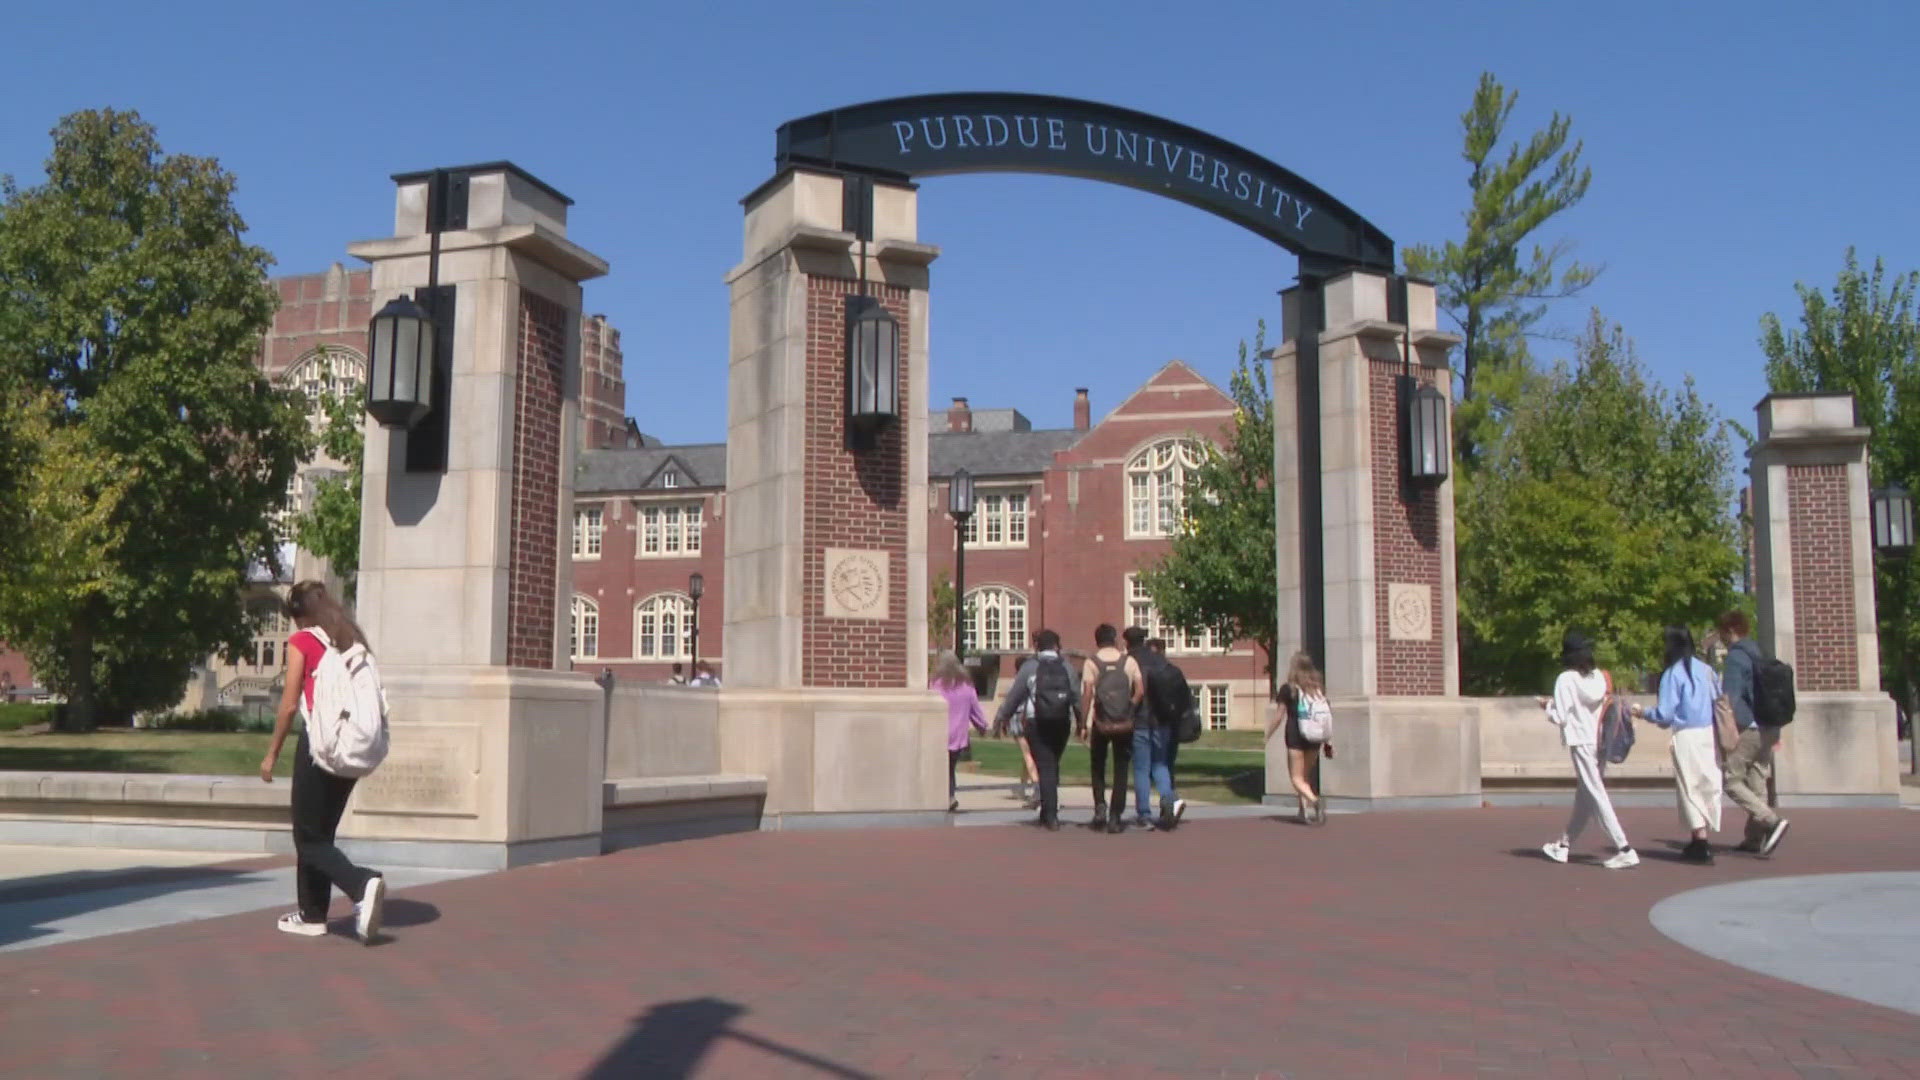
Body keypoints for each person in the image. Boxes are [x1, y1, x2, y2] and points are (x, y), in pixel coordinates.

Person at [260, 581, 387, 942]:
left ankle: (362, 883)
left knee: (308, 838)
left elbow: (288, 705)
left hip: (319, 744)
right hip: (349, 746)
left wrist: (272, 753)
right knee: (319, 834)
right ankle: (312, 914)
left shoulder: (303, 641)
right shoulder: (349, 637)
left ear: (300, 614)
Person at [1536, 631, 1638, 869]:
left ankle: (1624, 847)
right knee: (1585, 796)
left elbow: (1561, 717)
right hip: (1599, 740)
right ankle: (1563, 845)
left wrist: (1547, 707)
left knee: (1595, 793)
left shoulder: (1566, 680)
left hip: (1580, 741)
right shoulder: (1599, 678)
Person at [1633, 626, 1723, 864]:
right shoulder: (1707, 671)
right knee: (1707, 783)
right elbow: (1719, 700)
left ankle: (1700, 839)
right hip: (1709, 732)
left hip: (1686, 734)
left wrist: (1643, 713)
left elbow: (1665, 713)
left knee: (1689, 787)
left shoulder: (1672, 674)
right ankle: (1702, 835)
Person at [994, 629, 1084, 830]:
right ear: (1056, 646)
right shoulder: (1067, 667)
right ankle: (1047, 810)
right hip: (1062, 721)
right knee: (1051, 764)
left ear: (1037, 646)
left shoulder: (1029, 667)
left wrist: (1001, 717)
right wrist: (1081, 722)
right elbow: (1076, 696)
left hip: (1037, 721)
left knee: (1046, 766)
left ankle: (1050, 814)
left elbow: (1015, 696)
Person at [1718, 611, 1790, 856]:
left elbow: (1731, 698)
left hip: (1750, 727)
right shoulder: (1760, 653)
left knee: (1731, 781)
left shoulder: (1736, 658)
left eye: (1722, 633)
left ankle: (1770, 821)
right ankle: (1754, 839)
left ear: (1729, 631)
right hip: (1770, 726)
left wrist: (1729, 730)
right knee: (1757, 779)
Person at [1080, 624, 1142, 833]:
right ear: (1115, 639)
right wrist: (1129, 707)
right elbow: (1140, 690)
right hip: (1124, 722)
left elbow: (1088, 693)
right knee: (1121, 768)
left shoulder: (1092, 662)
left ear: (1097, 640)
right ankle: (1116, 815)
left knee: (1098, 766)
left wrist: (1082, 722)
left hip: (1101, 722)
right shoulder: (1129, 661)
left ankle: (1100, 806)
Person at [1125, 626, 1186, 831]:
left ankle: (1144, 814)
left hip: (1140, 721)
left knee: (1141, 768)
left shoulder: (1130, 662)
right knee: (1160, 764)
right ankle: (1170, 799)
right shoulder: (1160, 660)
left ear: (1127, 642)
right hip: (1162, 720)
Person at [1268, 650, 1332, 824]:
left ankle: (1315, 802)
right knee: (1305, 776)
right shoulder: (1317, 689)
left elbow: (1279, 715)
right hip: (1314, 737)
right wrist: (1328, 740)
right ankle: (1302, 812)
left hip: (1295, 736)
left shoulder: (1288, 689)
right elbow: (1326, 715)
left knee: (1296, 778)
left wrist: (1267, 734)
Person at [933, 650, 989, 813]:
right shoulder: (967, 686)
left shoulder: (935, 685)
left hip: (938, 734)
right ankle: (949, 796)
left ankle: (944, 796)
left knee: (941, 769)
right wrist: (982, 726)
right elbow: (975, 710)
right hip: (957, 736)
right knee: (950, 768)